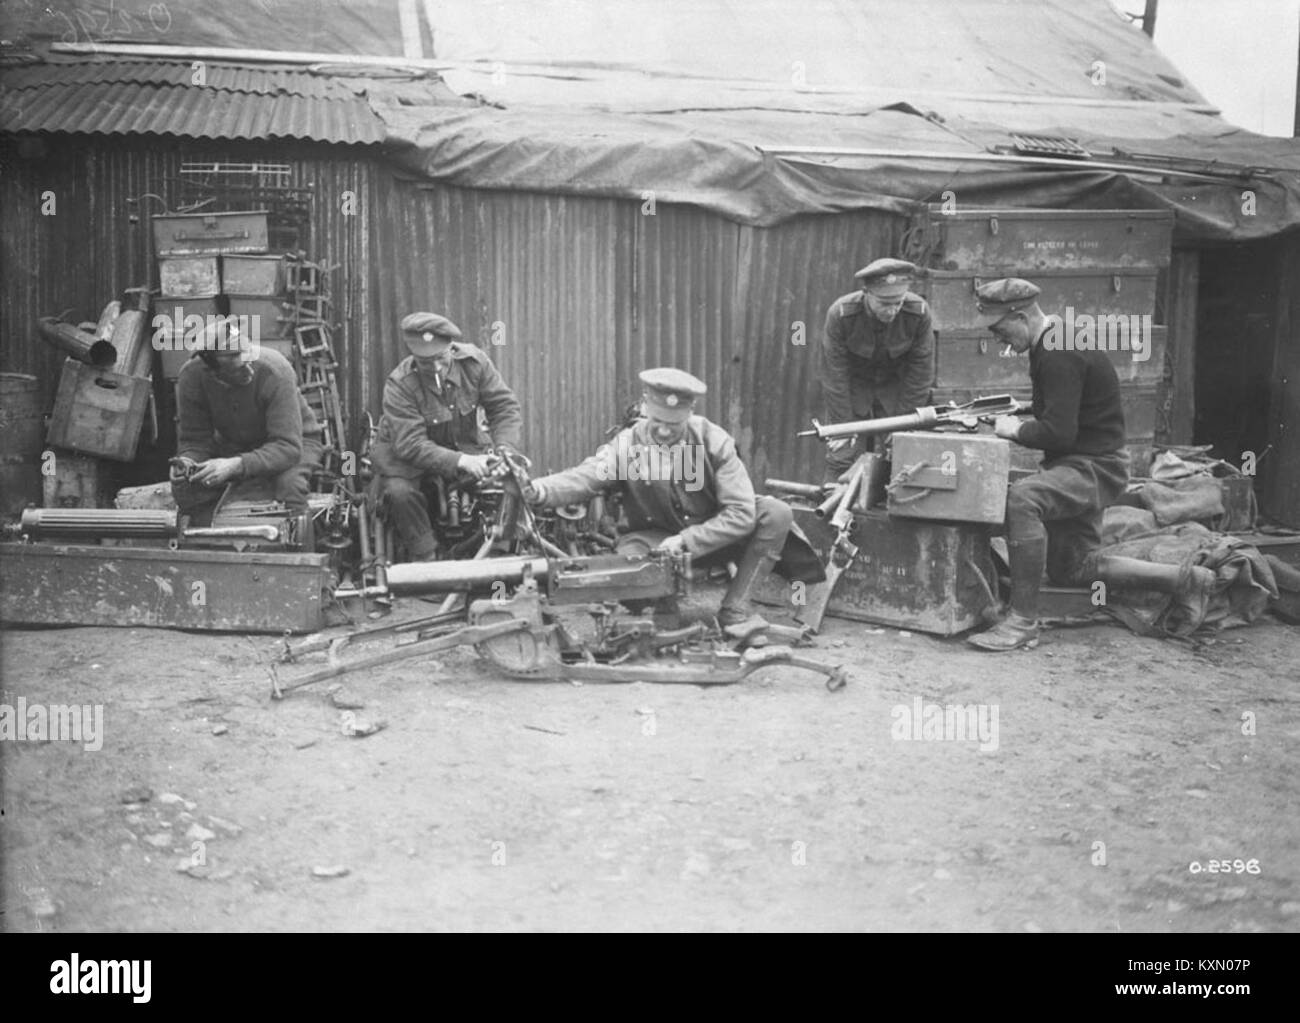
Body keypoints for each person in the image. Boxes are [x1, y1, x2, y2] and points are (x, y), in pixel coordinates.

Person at [966, 278, 1215, 651]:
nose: (998, 339)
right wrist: (1013, 410)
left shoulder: (1056, 351)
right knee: (1074, 569)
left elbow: (1058, 433)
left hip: (1094, 467)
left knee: (1023, 498)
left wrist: (1012, 429)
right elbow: (1066, 408)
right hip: (1084, 461)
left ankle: (1021, 621)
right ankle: (1189, 580)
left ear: (1019, 316)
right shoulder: (1055, 340)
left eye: (999, 329)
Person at [524, 368, 823, 627]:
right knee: (640, 597)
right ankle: (661, 604)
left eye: (674, 424)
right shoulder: (627, 444)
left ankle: (736, 610)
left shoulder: (712, 441)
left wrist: (686, 540)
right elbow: (585, 476)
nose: (665, 431)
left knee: (776, 512)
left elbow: (741, 513)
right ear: (645, 408)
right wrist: (538, 490)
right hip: (653, 541)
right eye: (658, 421)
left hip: (715, 537)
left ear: (689, 414)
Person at [370, 312, 524, 561]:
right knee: (399, 494)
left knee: (508, 481)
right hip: (407, 460)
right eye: (425, 362)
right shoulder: (399, 384)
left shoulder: (475, 364)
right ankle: (427, 561)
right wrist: (462, 461)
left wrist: (505, 449)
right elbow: (411, 444)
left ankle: (499, 558)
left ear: (451, 348)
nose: (435, 368)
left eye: (440, 358)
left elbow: (504, 407)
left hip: (464, 448)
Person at [171, 317, 322, 526]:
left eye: (245, 351)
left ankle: (299, 555)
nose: (246, 363)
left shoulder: (276, 370)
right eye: (234, 358)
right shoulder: (192, 377)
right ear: (211, 369)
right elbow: (194, 441)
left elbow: (288, 448)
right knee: (188, 487)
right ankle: (208, 548)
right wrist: (188, 463)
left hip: (296, 443)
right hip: (234, 446)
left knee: (290, 487)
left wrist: (236, 465)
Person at [820, 257, 935, 480]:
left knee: (899, 457)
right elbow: (834, 375)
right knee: (842, 455)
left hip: (897, 392)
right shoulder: (841, 314)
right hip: (852, 392)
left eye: (898, 303)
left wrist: (904, 422)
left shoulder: (918, 312)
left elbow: (921, 373)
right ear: (866, 294)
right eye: (884, 304)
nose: (892, 311)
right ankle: (830, 510)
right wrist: (843, 426)